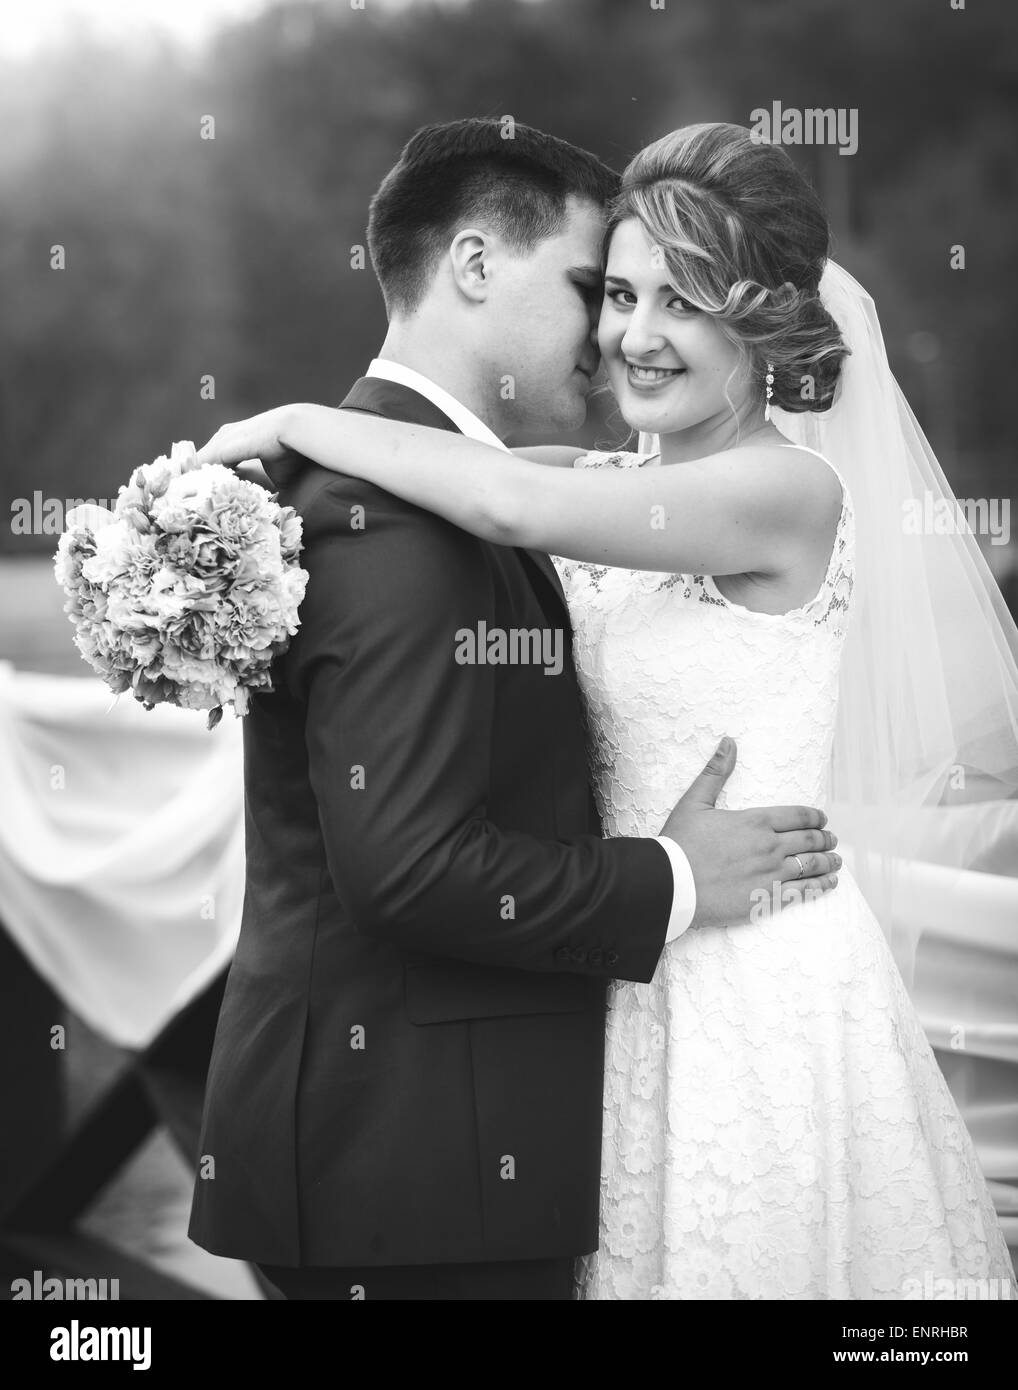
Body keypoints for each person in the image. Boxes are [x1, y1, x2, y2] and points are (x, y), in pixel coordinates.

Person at [202, 122, 1018, 1299]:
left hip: (753, 968)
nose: (632, 336)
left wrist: (293, 425)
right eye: (617, 293)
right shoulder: (623, 483)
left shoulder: (783, 491)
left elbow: (501, 500)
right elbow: (479, 462)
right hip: (628, 968)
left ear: (763, 322)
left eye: (681, 303)